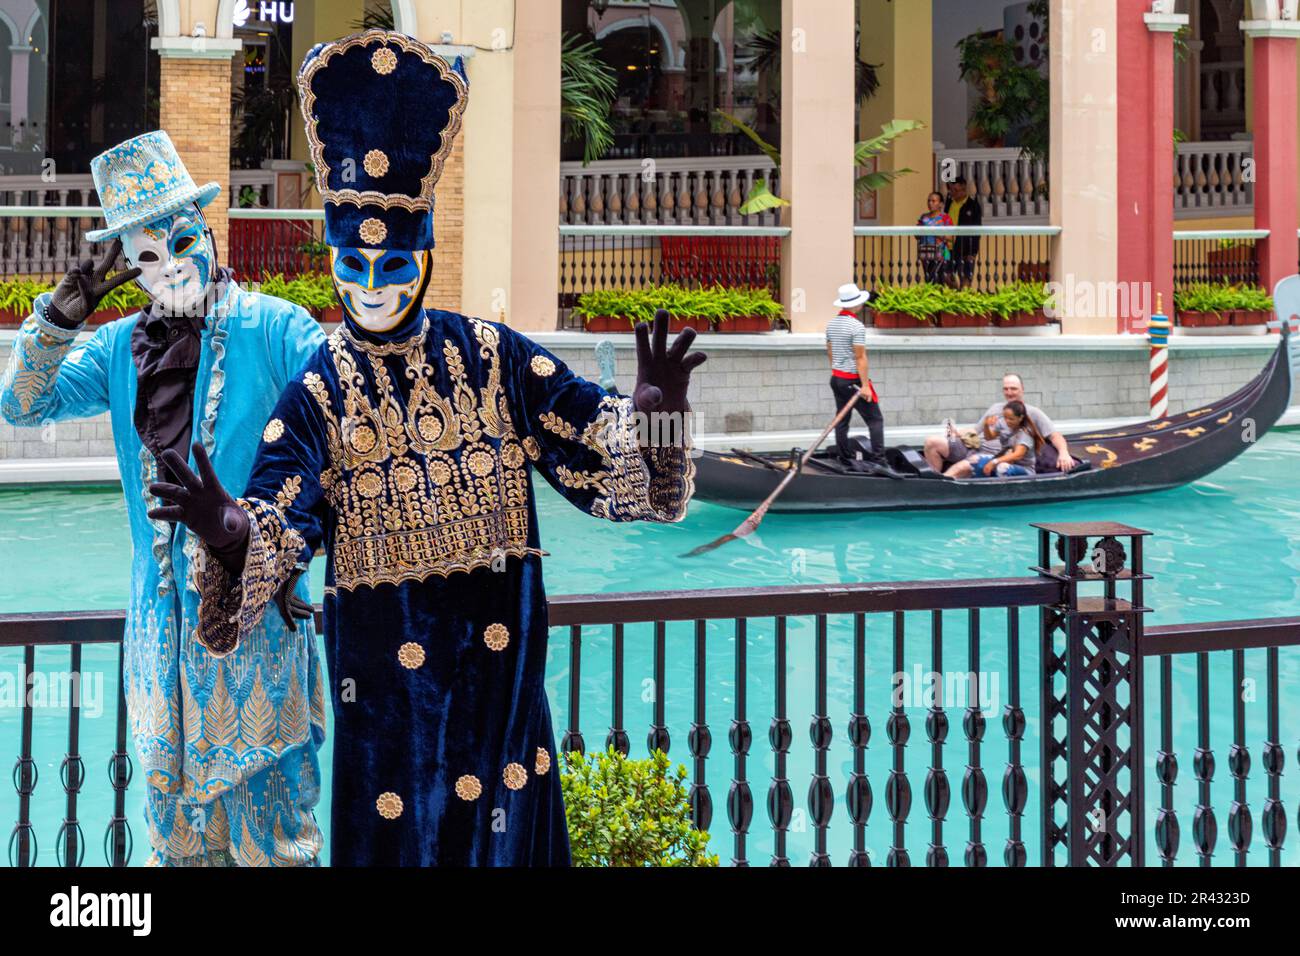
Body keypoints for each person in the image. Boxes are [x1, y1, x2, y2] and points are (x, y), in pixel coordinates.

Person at [148, 30, 707, 867]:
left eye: (392, 263)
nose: (372, 286)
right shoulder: (317, 393)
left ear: (426, 255)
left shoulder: (495, 356)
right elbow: (278, 525)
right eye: (354, 264)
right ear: (334, 260)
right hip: (387, 729)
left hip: (502, 710)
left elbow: (613, 474)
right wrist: (230, 532)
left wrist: (660, 413)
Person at [0, 131, 328, 866]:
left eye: (182, 240)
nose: (173, 264)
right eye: (148, 256)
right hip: (157, 644)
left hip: (257, 639)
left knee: (273, 849)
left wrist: (254, 525)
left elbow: (351, 433)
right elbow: (20, 405)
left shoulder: (273, 328)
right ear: (129, 271)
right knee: (175, 851)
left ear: (208, 231)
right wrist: (61, 316)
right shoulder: (121, 349)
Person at [923, 373, 1078, 476]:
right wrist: (957, 432)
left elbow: (1054, 435)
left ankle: (938, 487)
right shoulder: (995, 408)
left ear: (1022, 390)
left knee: (966, 464)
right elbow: (976, 431)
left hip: (997, 457)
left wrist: (1064, 453)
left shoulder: (1033, 413)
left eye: (1013, 389)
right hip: (974, 447)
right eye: (1006, 389)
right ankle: (931, 477)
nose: (1009, 392)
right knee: (932, 442)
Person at [826, 283, 885, 464]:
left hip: (836, 378)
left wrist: (837, 370)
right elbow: (860, 357)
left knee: (842, 419)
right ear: (856, 305)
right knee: (875, 419)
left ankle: (844, 456)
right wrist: (865, 386)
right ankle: (879, 461)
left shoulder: (832, 324)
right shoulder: (856, 326)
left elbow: (830, 351)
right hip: (852, 380)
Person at [964, 400, 1042, 478]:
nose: (1007, 421)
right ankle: (982, 485)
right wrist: (986, 426)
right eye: (1005, 417)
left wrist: (994, 462)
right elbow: (989, 437)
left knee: (1002, 468)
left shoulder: (1026, 433)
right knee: (975, 460)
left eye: (1011, 419)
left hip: (1024, 469)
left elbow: (1017, 455)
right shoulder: (1003, 423)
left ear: (1020, 418)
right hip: (1004, 459)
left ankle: (1003, 489)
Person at [944, 176, 983, 287]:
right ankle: (957, 294)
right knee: (946, 275)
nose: (953, 193)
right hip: (949, 247)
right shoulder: (949, 203)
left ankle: (963, 299)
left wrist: (973, 252)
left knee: (965, 278)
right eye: (951, 190)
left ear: (964, 189)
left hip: (966, 248)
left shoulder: (973, 206)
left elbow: (977, 230)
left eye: (956, 190)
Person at [917, 192, 954, 285]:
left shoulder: (945, 218)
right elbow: (917, 235)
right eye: (929, 201)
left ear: (941, 204)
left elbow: (950, 237)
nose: (930, 203)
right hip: (925, 252)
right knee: (929, 279)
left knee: (940, 279)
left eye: (933, 201)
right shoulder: (924, 217)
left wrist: (935, 233)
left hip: (941, 253)